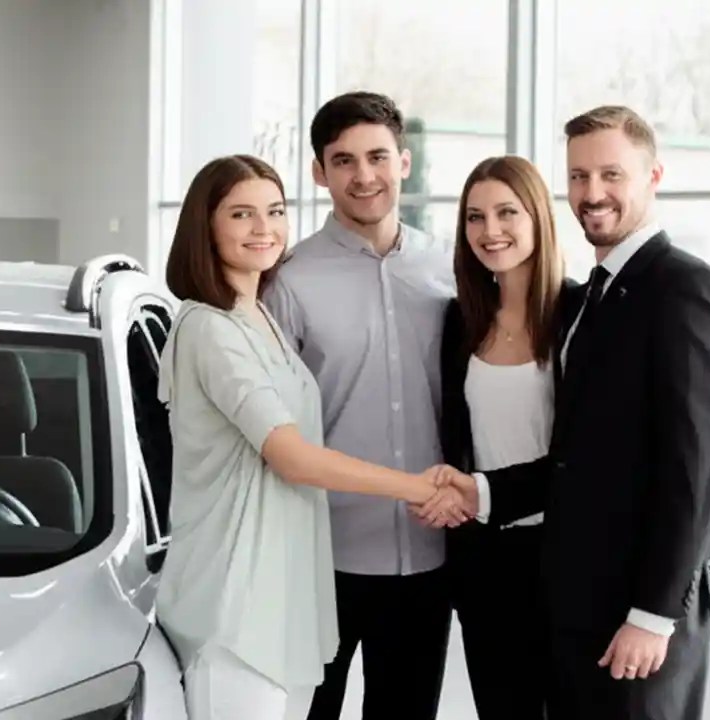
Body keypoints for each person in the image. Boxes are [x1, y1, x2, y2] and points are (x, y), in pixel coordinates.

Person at [428, 105, 710, 720]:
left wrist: (653, 614)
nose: (592, 192)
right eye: (578, 176)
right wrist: (481, 492)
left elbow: (694, 472)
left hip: (633, 612)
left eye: (610, 174)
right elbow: (583, 461)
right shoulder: (603, 294)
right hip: (577, 600)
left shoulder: (683, 287)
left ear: (653, 176)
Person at [155, 153, 466, 720]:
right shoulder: (209, 327)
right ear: (206, 226)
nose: (264, 228)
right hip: (233, 597)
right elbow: (292, 458)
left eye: (275, 211)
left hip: (278, 588)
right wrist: (420, 488)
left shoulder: (258, 315)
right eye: (242, 214)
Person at [262, 91, 457, 720]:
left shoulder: (450, 270)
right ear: (319, 172)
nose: (364, 175)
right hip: (322, 561)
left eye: (378, 156)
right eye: (343, 161)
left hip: (429, 556)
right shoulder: (287, 281)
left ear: (404, 162)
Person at [431, 155, 576, 720]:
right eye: (475, 217)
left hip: (566, 555)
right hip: (485, 560)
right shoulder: (460, 320)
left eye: (506, 213)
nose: (489, 230)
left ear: (538, 216)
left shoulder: (581, 312)